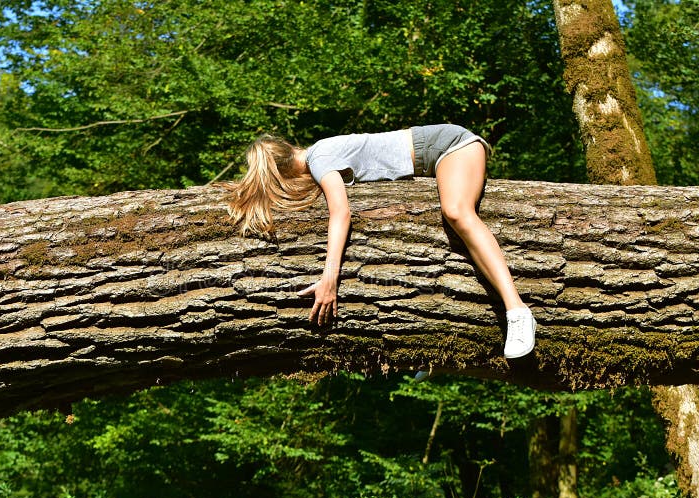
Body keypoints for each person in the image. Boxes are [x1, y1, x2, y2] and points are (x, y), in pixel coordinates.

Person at [224, 124, 536, 359]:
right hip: (435, 159)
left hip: (451, 145)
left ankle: (518, 312)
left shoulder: (320, 157)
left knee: (456, 212)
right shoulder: (320, 155)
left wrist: (328, 278)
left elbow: (341, 213)